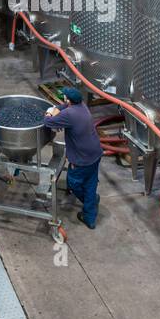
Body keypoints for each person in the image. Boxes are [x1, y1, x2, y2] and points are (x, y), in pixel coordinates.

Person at [44, 87, 104, 229]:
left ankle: (90, 206)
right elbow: (64, 107)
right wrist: (56, 108)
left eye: (64, 97)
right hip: (95, 153)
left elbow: (47, 122)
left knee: (73, 183)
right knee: (90, 182)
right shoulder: (81, 106)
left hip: (82, 158)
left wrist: (48, 112)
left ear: (68, 99)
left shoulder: (70, 114)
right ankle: (91, 212)